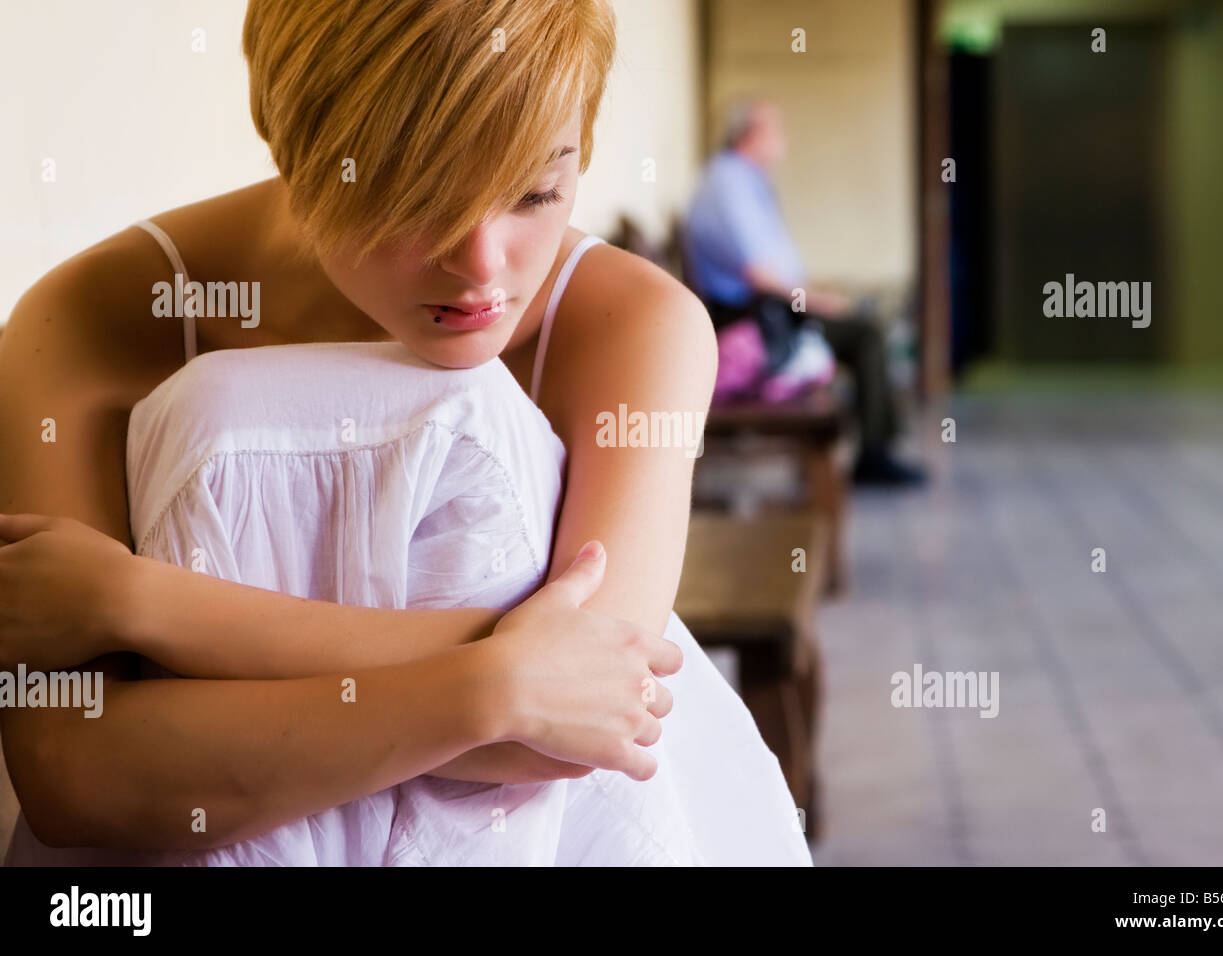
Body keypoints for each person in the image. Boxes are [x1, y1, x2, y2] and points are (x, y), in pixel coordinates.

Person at [0, 0, 810, 865]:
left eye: (537, 192)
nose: (483, 267)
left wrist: (140, 604)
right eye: (419, 198)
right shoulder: (91, 323)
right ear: (294, 140)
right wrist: (503, 679)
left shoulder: (635, 325)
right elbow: (73, 775)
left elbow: (590, 715)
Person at [683, 97, 925, 486]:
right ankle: (875, 456)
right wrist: (819, 301)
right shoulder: (729, 181)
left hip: (771, 313)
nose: (783, 139)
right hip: (754, 323)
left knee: (864, 326)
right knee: (866, 334)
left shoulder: (744, 180)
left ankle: (881, 445)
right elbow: (758, 274)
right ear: (751, 134)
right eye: (776, 130)